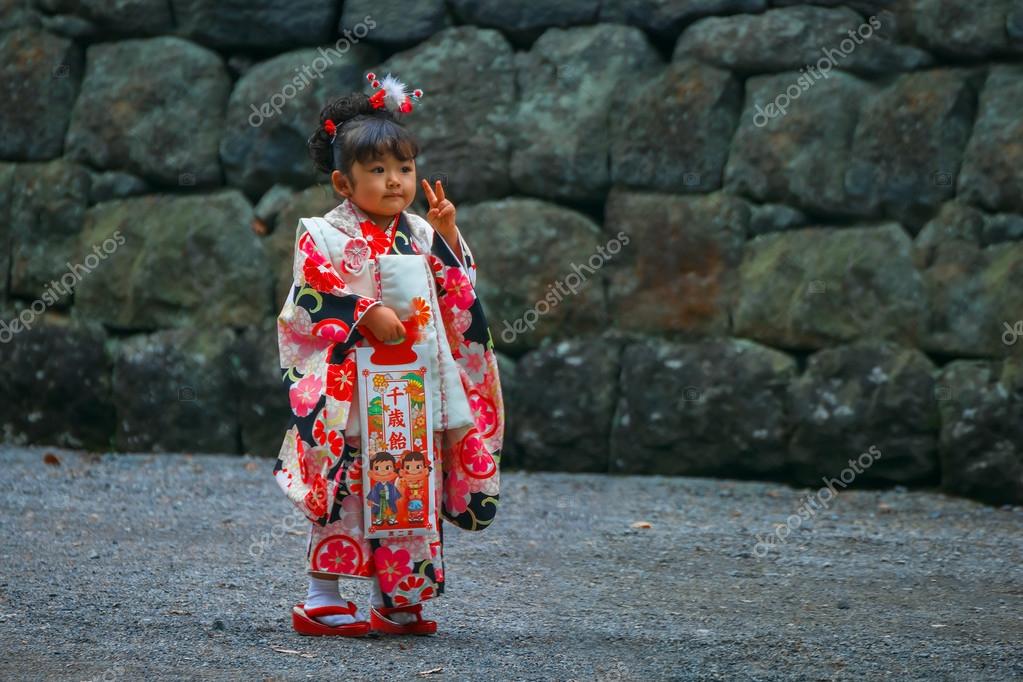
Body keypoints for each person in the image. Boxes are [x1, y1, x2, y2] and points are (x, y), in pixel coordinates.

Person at [273, 73, 504, 637]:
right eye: (377, 170)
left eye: (404, 168)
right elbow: (309, 298)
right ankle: (320, 594)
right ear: (342, 183)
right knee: (348, 487)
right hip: (352, 389)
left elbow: (458, 295)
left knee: (407, 482)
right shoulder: (322, 235)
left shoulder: (422, 232)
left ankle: (399, 597)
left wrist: (448, 236)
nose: (395, 181)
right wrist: (360, 311)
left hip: (413, 385)